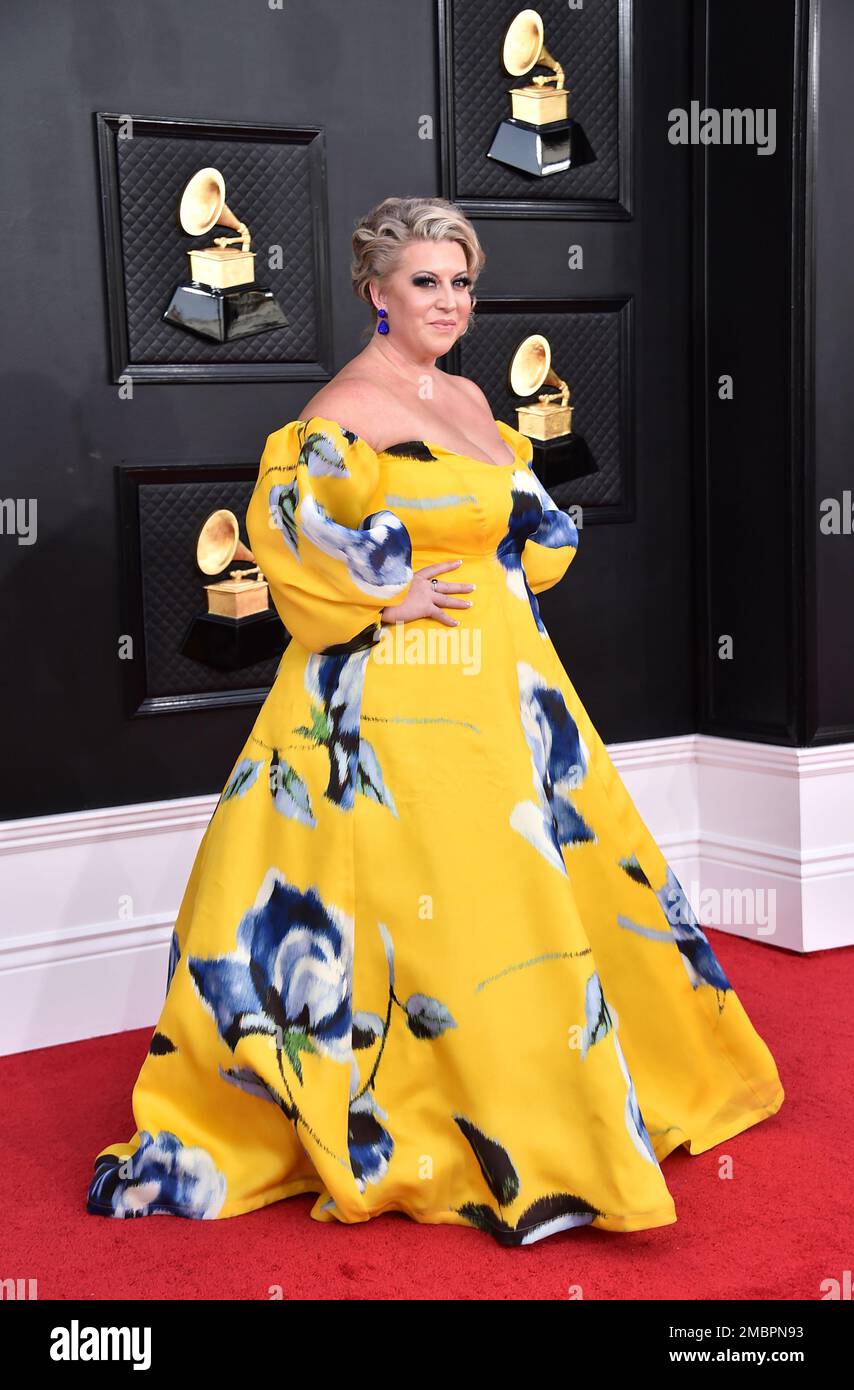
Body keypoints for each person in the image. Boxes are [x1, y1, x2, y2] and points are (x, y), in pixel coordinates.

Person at [86, 196, 784, 1246]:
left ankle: (558, 1090)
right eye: (424, 281)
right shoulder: (347, 405)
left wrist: (491, 555)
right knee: (455, 897)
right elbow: (288, 532)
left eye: (460, 280)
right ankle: (453, 1121)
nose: (449, 299)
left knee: (527, 885)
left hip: (507, 680)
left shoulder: (462, 393)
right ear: (374, 289)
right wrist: (384, 595)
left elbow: (523, 518)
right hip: (404, 693)